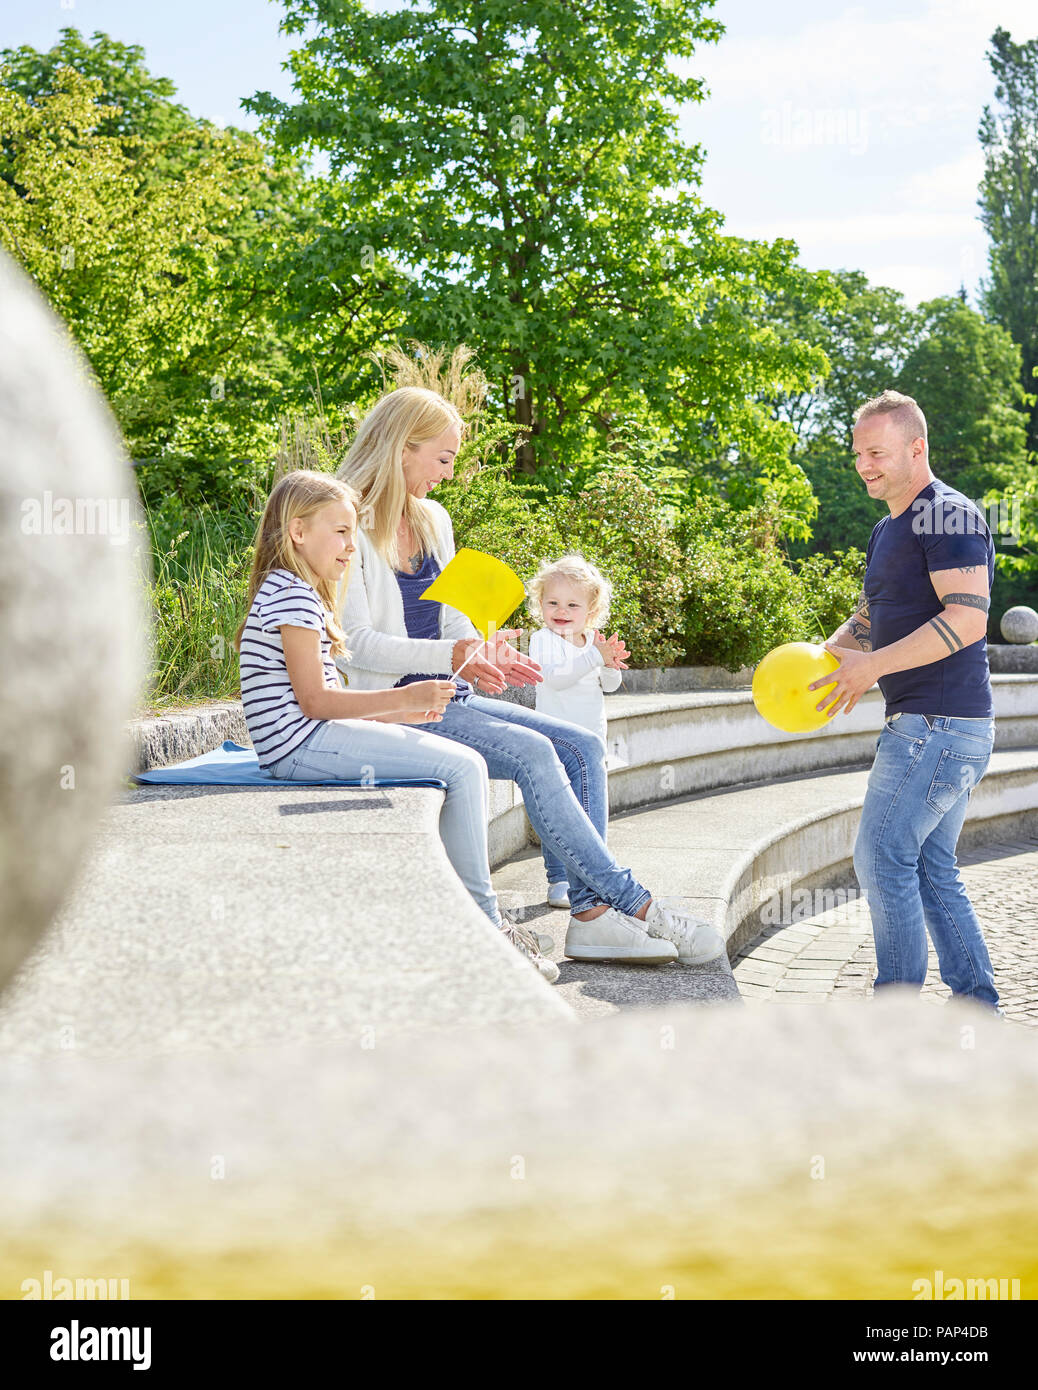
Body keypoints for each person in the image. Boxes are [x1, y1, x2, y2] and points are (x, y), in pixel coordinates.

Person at [334, 384, 727, 967]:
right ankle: (639, 907)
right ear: (402, 447)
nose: (447, 473)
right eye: (442, 458)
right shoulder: (346, 523)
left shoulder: (433, 520)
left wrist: (479, 650)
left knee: (584, 746)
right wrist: (454, 656)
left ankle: (590, 917)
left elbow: (447, 619)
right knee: (536, 753)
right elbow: (354, 645)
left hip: (450, 691)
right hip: (398, 704)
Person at [231, 467, 560, 983]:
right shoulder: (294, 596)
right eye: (340, 532)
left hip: (303, 740)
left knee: (461, 764)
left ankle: (480, 922)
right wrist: (405, 696)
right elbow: (315, 702)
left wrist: (402, 711)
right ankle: (484, 926)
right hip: (298, 747)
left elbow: (322, 698)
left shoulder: (291, 589)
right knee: (464, 766)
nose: (350, 546)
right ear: (298, 532)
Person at [807, 390, 1000, 1012]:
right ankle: (976, 1004)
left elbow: (968, 618)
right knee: (928, 868)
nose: (864, 464)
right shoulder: (889, 526)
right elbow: (876, 613)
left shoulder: (949, 516)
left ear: (916, 448)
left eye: (878, 452)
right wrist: (825, 657)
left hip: (940, 725)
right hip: (932, 725)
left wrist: (873, 670)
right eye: (858, 452)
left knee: (882, 854)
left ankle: (895, 1016)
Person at [527, 553, 629, 910]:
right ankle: (558, 879)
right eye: (552, 602)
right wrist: (594, 657)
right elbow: (554, 678)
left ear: (591, 609)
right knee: (556, 810)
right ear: (539, 603)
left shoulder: (591, 641)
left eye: (573, 604)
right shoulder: (543, 640)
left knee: (586, 812)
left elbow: (609, 685)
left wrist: (611, 664)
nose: (562, 610)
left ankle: (590, 876)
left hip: (590, 739)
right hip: (555, 738)